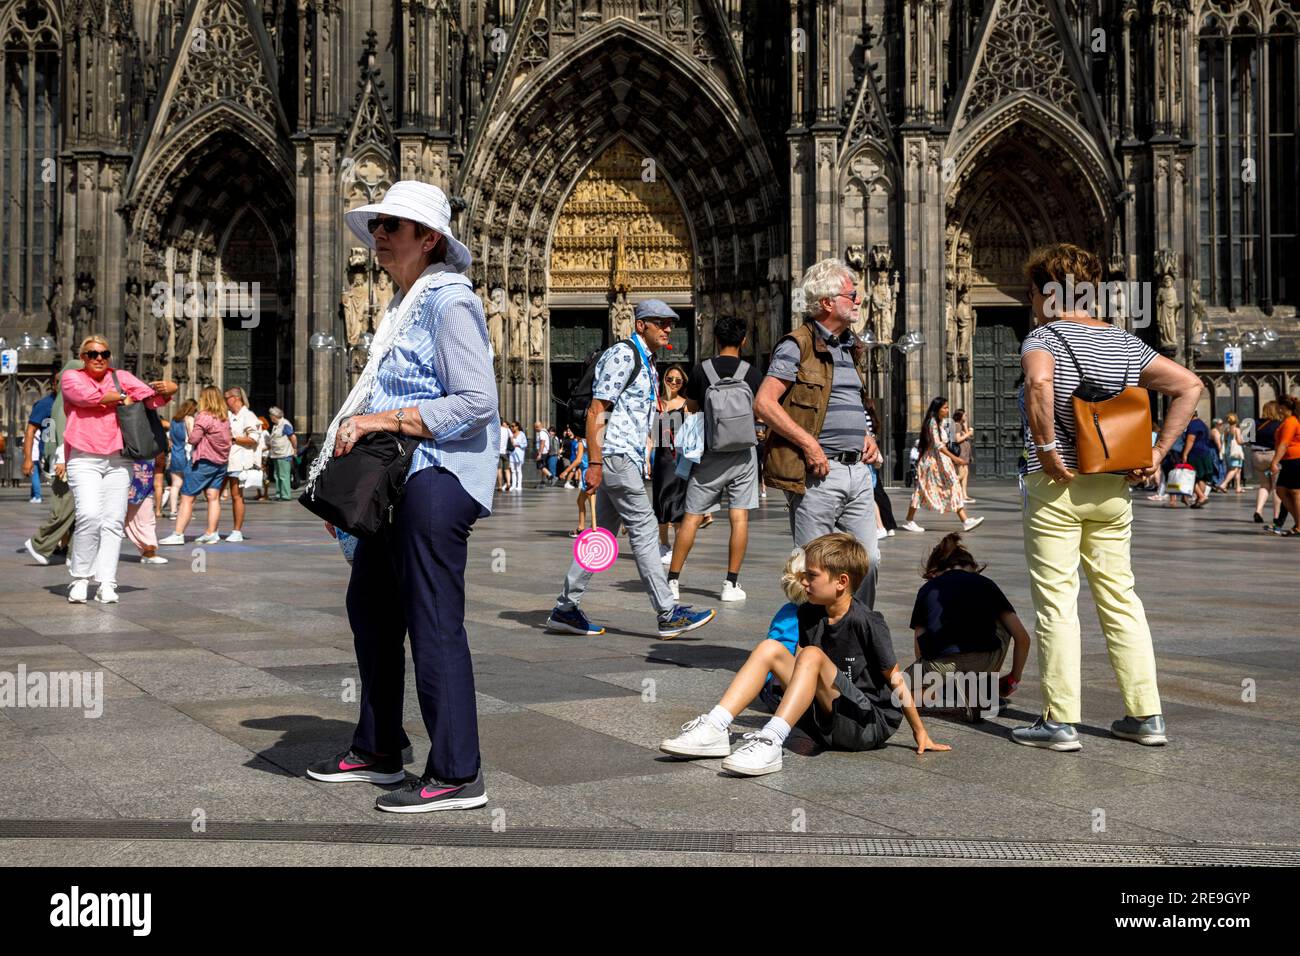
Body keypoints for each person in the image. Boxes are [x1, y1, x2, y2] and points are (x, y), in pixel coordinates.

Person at [304, 180, 497, 813]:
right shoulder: (406, 304)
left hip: (437, 477)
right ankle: (381, 745)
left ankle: (458, 771)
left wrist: (381, 421)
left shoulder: (449, 301)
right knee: (372, 609)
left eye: (393, 225)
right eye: (378, 225)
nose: (379, 236)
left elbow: (476, 402)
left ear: (429, 238)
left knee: (433, 618)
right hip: (399, 482)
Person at [1014, 242, 1204, 751]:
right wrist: (1159, 451)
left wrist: (1050, 448)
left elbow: (1038, 383)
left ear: (1046, 292)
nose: (1030, 300)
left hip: (1057, 485)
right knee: (1120, 597)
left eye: (1033, 291)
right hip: (1113, 486)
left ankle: (1060, 722)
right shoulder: (1124, 342)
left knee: (1057, 602)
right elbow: (1189, 384)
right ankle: (1146, 716)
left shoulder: (1043, 336)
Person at [659, 532, 949, 775]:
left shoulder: (867, 621)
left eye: (811, 576)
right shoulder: (809, 613)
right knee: (770, 648)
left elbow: (896, 679)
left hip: (865, 724)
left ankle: (771, 741)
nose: (804, 582)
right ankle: (716, 726)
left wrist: (919, 732)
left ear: (841, 582)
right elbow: (802, 675)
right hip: (824, 719)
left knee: (810, 655)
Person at [545, 299, 715, 639]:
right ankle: (667, 612)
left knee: (603, 536)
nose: (669, 328)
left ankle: (566, 608)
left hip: (624, 457)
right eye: (660, 323)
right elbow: (597, 410)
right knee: (645, 530)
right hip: (615, 456)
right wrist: (594, 462)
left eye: (671, 323)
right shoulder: (624, 355)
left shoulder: (647, 363)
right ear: (640, 325)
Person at [753, 258, 881, 608]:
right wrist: (809, 444)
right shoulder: (797, 345)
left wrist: (865, 437)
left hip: (857, 472)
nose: (858, 300)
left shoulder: (848, 346)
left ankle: (857, 639)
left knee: (867, 562)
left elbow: (843, 401)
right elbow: (764, 403)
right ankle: (814, 652)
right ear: (827, 302)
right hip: (818, 475)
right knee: (815, 569)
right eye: (851, 294)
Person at [60, 335, 177, 604]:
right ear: (83, 357)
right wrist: (124, 397)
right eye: (92, 354)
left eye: (104, 353)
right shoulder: (72, 377)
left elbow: (150, 398)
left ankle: (107, 582)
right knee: (89, 515)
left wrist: (169, 388)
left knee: (113, 522)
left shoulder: (121, 375)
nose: (99, 358)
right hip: (84, 457)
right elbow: (86, 397)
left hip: (120, 459)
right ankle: (80, 578)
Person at [668, 315, 764, 602]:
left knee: (692, 517)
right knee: (740, 516)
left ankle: (672, 581)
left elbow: (693, 409)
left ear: (716, 340)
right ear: (744, 340)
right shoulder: (753, 373)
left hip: (709, 453)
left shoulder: (701, 371)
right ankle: (730, 584)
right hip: (743, 454)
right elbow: (761, 411)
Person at [905, 533, 1030, 722]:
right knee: (1003, 625)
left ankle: (927, 696)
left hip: (939, 663)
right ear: (972, 567)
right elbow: (1022, 638)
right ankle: (982, 693)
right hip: (984, 660)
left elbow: (919, 639)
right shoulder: (987, 585)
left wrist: (928, 676)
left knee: (897, 690)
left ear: (933, 572)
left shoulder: (928, 589)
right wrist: (1014, 677)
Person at [24, 359, 81, 567]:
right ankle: (40, 543)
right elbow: (33, 431)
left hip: (68, 460)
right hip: (59, 462)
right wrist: (29, 459)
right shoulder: (51, 404)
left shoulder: (67, 402)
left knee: (78, 510)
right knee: (65, 508)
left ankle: (72, 553)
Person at [900, 397, 984, 533]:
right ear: (937, 409)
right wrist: (956, 459)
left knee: (953, 485)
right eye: (944, 408)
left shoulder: (940, 423)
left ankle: (965, 520)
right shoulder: (932, 423)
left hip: (941, 462)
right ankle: (910, 520)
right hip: (932, 462)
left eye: (947, 407)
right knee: (923, 489)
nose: (947, 410)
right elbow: (938, 445)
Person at [160, 387, 231, 545]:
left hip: (204, 461)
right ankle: (211, 533)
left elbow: (193, 439)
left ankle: (178, 534)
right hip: (221, 463)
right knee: (213, 497)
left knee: (187, 498)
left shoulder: (204, 416)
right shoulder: (224, 417)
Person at [652, 365, 689, 565]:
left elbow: (693, 434)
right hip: (660, 459)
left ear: (683, 383)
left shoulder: (686, 404)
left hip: (679, 459)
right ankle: (664, 544)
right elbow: (652, 435)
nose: (673, 383)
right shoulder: (657, 403)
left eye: (678, 380)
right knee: (660, 502)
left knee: (676, 504)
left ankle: (678, 546)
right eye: (670, 378)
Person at [221, 386, 260, 541]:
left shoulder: (248, 415)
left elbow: (254, 438)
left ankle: (237, 531)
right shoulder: (230, 415)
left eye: (226, 398)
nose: (225, 401)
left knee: (237, 495)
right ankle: (213, 529)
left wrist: (233, 438)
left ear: (236, 398)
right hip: (225, 460)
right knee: (214, 493)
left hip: (239, 461)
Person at [124, 456, 168, 565]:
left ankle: (149, 552)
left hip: (145, 478)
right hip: (122, 466)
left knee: (146, 517)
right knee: (108, 519)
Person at [863, 397, 896, 537]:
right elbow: (873, 435)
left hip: (866, 454)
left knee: (873, 492)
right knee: (878, 491)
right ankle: (888, 525)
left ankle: (882, 526)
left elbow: (865, 434)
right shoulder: (873, 417)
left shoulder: (862, 415)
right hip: (873, 452)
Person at [1267, 395, 1300, 535]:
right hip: (1289, 460)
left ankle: (1299, 525)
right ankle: (1299, 522)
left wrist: (1274, 461)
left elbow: (1284, 443)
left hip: (1295, 459)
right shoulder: (1287, 421)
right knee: (1281, 490)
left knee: (1295, 492)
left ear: (1282, 407)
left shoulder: (1291, 422)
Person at [1252, 401, 1287, 528]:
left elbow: (1245, 440)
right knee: (1276, 487)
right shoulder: (1279, 424)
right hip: (1272, 455)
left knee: (1264, 485)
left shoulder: (1255, 423)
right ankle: (1276, 516)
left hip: (1257, 455)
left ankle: (1258, 511)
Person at [163, 398, 196, 519]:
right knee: (188, 485)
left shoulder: (174, 420)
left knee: (175, 485)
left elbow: (170, 439)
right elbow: (193, 437)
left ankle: (173, 512)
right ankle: (187, 511)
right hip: (186, 454)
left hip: (175, 454)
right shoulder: (189, 419)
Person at [23, 383, 56, 504]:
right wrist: (28, 459)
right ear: (54, 385)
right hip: (49, 454)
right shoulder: (44, 405)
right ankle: (36, 496)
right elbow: (30, 431)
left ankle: (36, 495)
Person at [1180, 412, 1215, 509]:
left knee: (1190, 477)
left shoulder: (1193, 425)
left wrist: (1185, 454)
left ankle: (1201, 496)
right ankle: (1199, 500)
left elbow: (1190, 440)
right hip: (1205, 453)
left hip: (1195, 454)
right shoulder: (1202, 423)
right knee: (1201, 478)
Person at [266, 406, 297, 501]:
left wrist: (294, 449)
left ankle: (285, 495)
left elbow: (293, 437)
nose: (270, 417)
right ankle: (279, 494)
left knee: (284, 476)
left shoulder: (285, 424)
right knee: (277, 475)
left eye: (271, 415)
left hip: (284, 454)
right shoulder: (276, 426)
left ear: (275, 416)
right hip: (276, 454)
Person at [1216, 413, 1245, 494]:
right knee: (1234, 469)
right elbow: (1239, 441)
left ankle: (1238, 487)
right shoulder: (1237, 430)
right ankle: (1223, 484)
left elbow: (1224, 440)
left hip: (1229, 451)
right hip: (1236, 452)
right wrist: (1244, 441)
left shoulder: (1227, 429)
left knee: (1238, 469)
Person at [951, 408, 975, 502]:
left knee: (965, 474)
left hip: (965, 453)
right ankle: (948, 488)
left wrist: (965, 427)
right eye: (964, 415)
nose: (966, 417)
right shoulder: (957, 425)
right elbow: (958, 439)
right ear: (960, 416)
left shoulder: (960, 425)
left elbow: (969, 437)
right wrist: (968, 433)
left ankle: (964, 495)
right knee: (961, 475)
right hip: (960, 453)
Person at [533, 421, 553, 486]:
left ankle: (550, 475)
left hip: (543, 451)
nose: (535, 429)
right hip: (546, 451)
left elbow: (542, 443)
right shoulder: (546, 431)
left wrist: (539, 453)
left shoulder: (542, 433)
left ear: (538, 426)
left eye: (536, 427)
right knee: (543, 466)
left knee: (540, 466)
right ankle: (542, 481)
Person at [509, 420, 526, 491]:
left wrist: (518, 444)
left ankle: (519, 485)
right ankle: (513, 485)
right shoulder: (511, 434)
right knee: (513, 470)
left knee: (518, 470)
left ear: (517, 427)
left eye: (513, 426)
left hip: (519, 454)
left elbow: (525, 444)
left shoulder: (522, 434)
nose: (512, 428)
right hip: (512, 453)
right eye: (511, 426)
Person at [497, 417, 512, 492]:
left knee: (499, 469)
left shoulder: (496, 429)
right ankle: (508, 483)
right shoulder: (507, 429)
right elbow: (512, 440)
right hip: (505, 452)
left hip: (498, 452)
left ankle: (500, 486)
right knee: (506, 469)